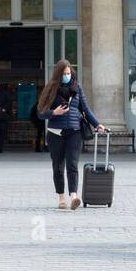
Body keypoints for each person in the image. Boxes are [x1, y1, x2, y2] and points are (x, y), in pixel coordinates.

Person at [37, 59, 108, 210]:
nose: (67, 76)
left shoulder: (77, 88)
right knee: (58, 167)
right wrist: (54, 112)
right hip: (55, 133)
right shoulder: (50, 88)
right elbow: (40, 113)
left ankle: (74, 196)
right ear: (58, 74)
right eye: (64, 74)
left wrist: (97, 124)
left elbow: (86, 109)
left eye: (69, 73)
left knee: (72, 164)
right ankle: (61, 198)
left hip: (74, 131)